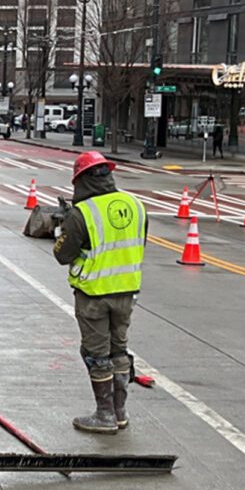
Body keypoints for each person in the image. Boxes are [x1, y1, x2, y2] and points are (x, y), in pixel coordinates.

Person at [53, 151, 148, 434]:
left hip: (94, 294)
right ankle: (120, 412)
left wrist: (63, 230)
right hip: (127, 292)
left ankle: (104, 414)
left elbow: (62, 254)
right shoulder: (136, 205)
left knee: (96, 354)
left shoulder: (83, 213)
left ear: (81, 180)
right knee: (119, 349)